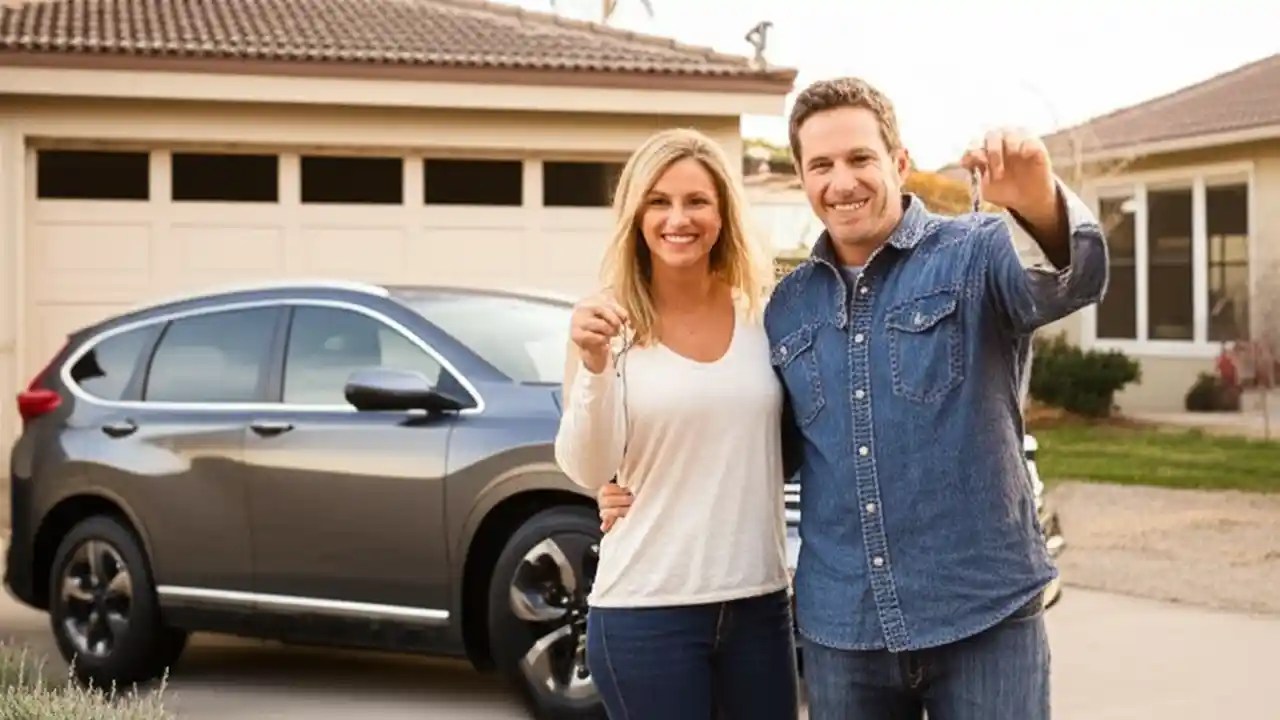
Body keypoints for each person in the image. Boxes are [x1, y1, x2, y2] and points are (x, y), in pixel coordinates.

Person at [598, 76, 1109, 719]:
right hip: (844, 632)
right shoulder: (787, 306)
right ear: (803, 178)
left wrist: (1039, 202)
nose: (842, 182)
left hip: (982, 617)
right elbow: (759, 445)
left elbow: (1071, 282)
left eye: (860, 158)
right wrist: (634, 480)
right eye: (822, 165)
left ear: (899, 161)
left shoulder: (974, 254)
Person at [553, 127, 799, 719]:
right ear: (636, 215)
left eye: (696, 201)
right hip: (646, 611)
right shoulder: (607, 323)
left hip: (759, 606)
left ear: (723, 213)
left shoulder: (764, 313)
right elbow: (588, 466)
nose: (678, 219)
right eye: (658, 202)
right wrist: (593, 366)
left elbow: (789, 442)